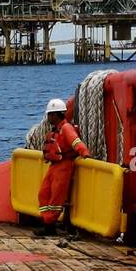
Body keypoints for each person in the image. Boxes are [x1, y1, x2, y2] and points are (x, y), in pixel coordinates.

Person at [36, 97, 88, 236]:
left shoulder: (66, 128)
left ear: (55, 114)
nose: (48, 117)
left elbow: (76, 142)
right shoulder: (56, 130)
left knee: (56, 197)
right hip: (54, 166)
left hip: (64, 165)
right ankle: (47, 223)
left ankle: (50, 226)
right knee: (44, 193)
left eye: (49, 114)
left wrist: (84, 153)